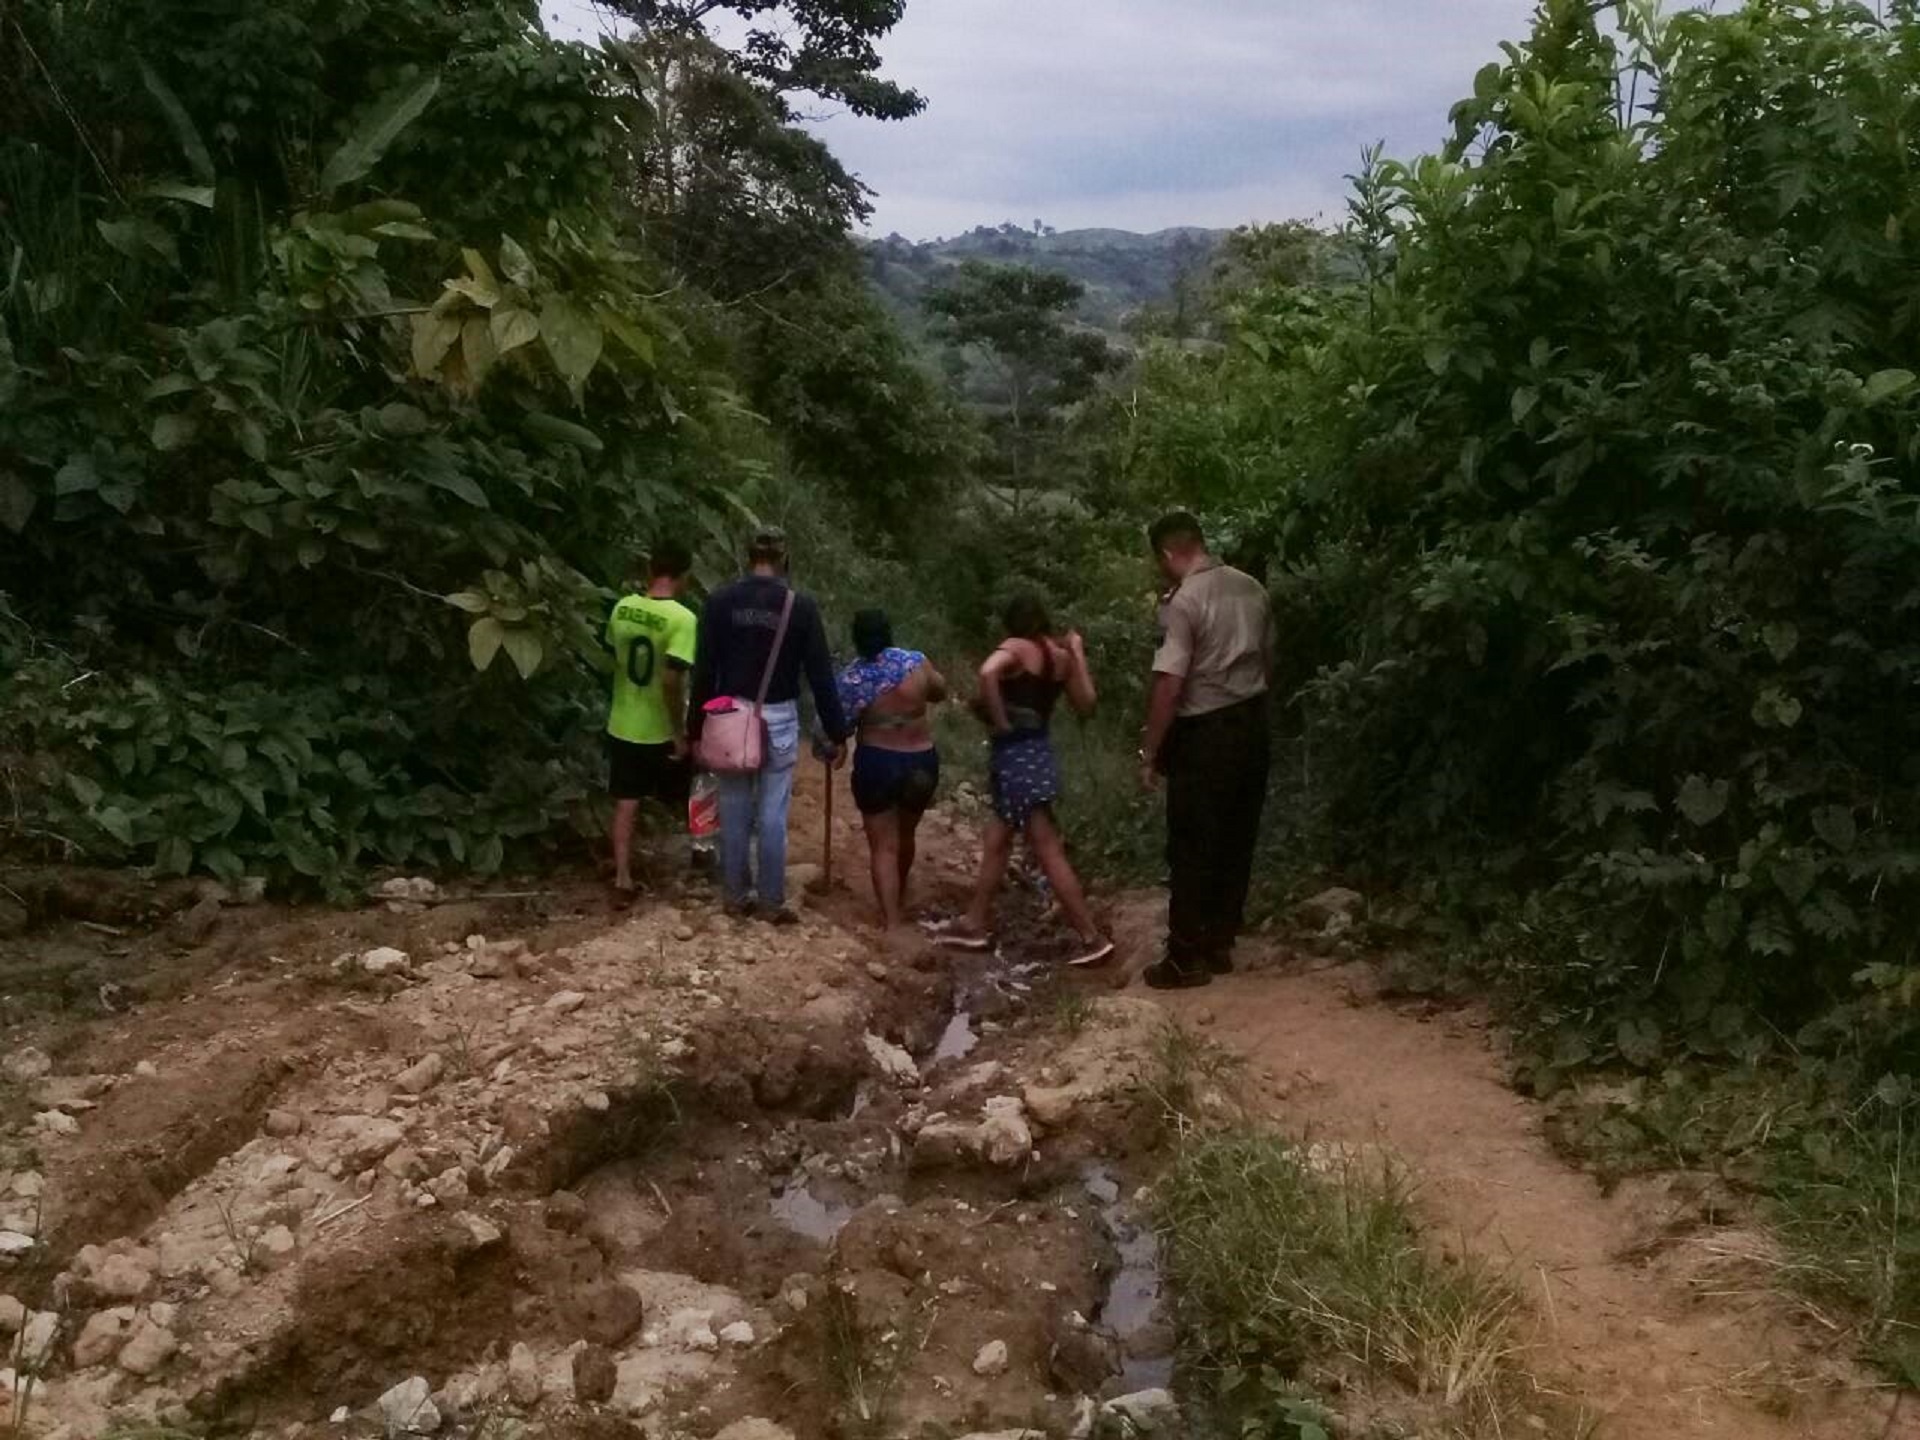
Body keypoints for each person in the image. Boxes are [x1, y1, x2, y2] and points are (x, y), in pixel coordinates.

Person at [935, 595, 1115, 968]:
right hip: (1038, 752)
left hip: (1015, 754)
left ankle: (1090, 936)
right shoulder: (1060, 658)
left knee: (1046, 847)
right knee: (997, 839)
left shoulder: (1017, 647)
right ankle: (974, 922)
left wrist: (1000, 722)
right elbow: (1087, 703)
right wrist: (1078, 651)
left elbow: (987, 672)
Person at [1138, 511, 1275, 988]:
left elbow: (1170, 684)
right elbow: (1269, 655)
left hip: (1205, 732)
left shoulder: (1185, 601)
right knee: (1238, 836)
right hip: (1254, 724)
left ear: (1166, 554)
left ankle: (1183, 958)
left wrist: (1150, 751)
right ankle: (1220, 942)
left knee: (1192, 841)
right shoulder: (1252, 587)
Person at [689, 527, 849, 922]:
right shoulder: (801, 607)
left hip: (728, 717)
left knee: (734, 804)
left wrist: (694, 729)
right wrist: (837, 730)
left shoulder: (720, 601)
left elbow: (705, 671)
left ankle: (735, 894)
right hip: (778, 716)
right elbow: (820, 674)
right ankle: (771, 898)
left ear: (748, 557)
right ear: (785, 560)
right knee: (773, 812)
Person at [837, 609, 949, 933]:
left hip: (878, 763)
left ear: (857, 639)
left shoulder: (852, 678)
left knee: (883, 845)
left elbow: (839, 726)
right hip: (920, 761)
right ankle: (898, 896)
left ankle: (892, 920)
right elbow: (939, 691)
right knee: (906, 834)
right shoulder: (914, 662)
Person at [603, 539, 698, 902]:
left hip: (623, 721)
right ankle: (689, 869)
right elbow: (672, 680)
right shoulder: (683, 619)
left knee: (626, 800)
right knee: (689, 791)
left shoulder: (622, 608)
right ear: (684, 577)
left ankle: (623, 876)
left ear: (650, 570)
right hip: (659, 729)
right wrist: (678, 731)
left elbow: (615, 652)